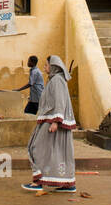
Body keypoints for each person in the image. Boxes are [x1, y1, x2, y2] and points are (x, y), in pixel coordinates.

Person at [22, 55, 77, 192]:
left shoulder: (57, 81)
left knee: (38, 148)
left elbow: (60, 101)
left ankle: (38, 182)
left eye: (46, 65)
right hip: (50, 120)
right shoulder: (54, 80)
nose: (45, 68)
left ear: (53, 66)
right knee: (57, 153)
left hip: (53, 122)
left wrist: (56, 122)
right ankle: (66, 184)